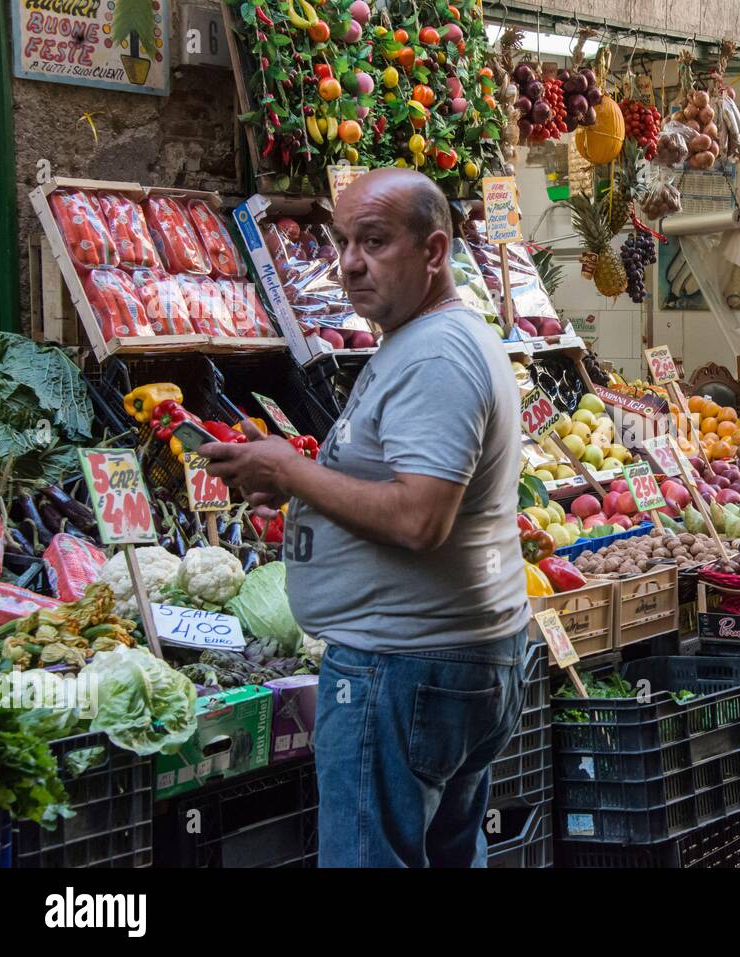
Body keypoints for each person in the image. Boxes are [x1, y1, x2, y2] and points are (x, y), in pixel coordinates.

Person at [201, 168, 529, 868]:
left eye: (374, 242)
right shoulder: (427, 339)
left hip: (403, 666)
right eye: (342, 241)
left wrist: (292, 470)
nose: (350, 263)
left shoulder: (438, 354)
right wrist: (307, 488)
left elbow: (419, 518)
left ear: (435, 250)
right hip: (443, 659)